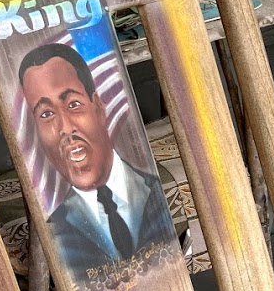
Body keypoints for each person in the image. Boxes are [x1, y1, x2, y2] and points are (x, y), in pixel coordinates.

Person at [17, 40, 173, 278]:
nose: (65, 128)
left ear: (98, 107)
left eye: (73, 104)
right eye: (46, 114)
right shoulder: (57, 229)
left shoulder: (154, 192)